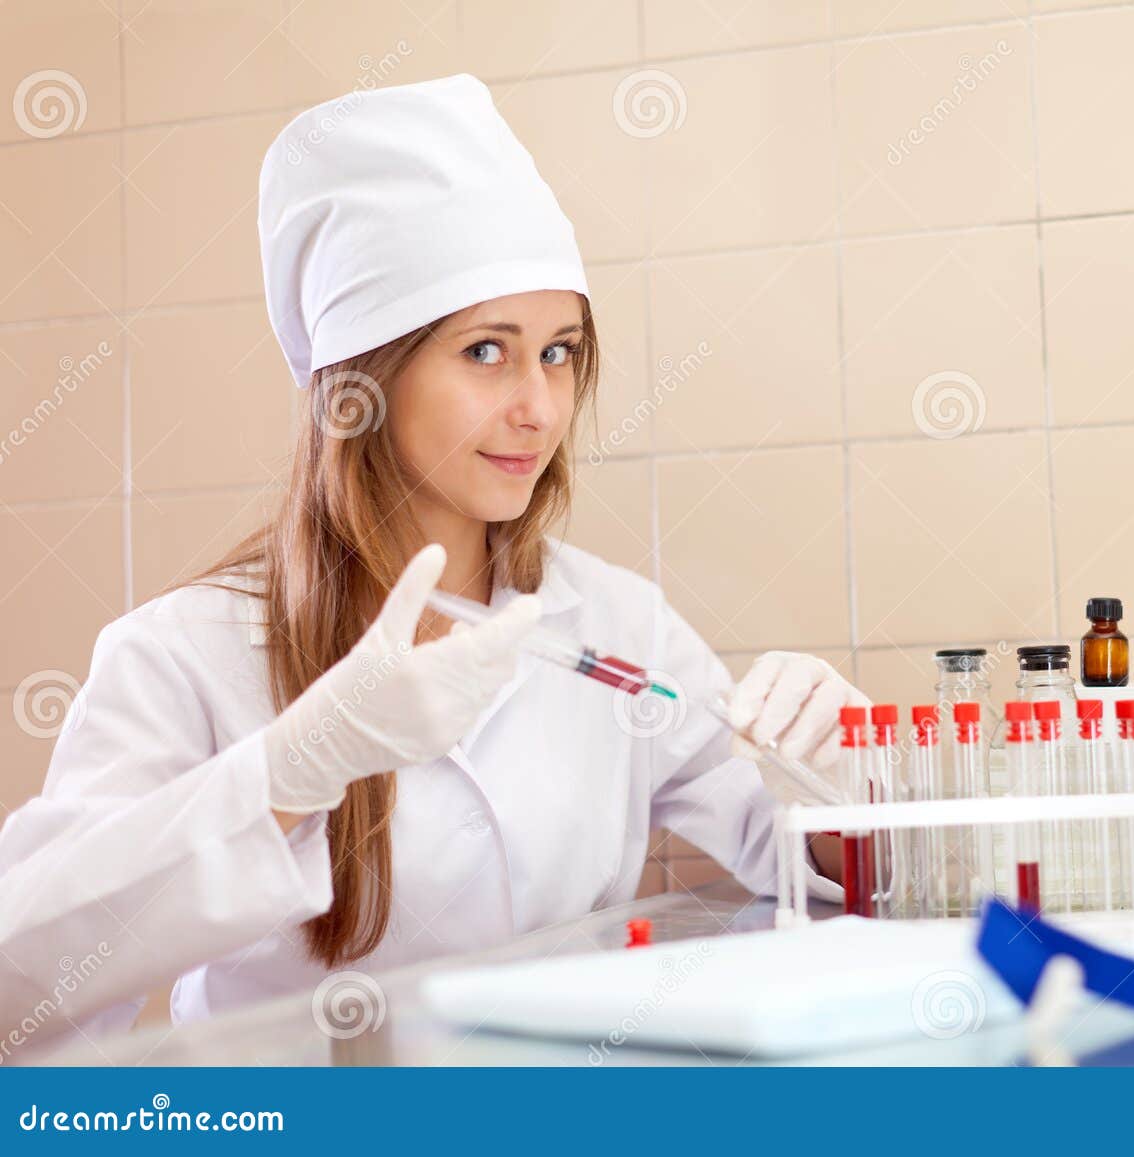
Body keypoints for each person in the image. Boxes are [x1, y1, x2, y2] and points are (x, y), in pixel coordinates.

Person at [0, 75, 861, 1046]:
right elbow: (20, 972)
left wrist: (833, 776)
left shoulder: (615, 622)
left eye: (560, 351)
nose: (539, 405)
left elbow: (797, 857)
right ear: (361, 380)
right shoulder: (184, 651)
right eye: (486, 351)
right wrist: (289, 770)